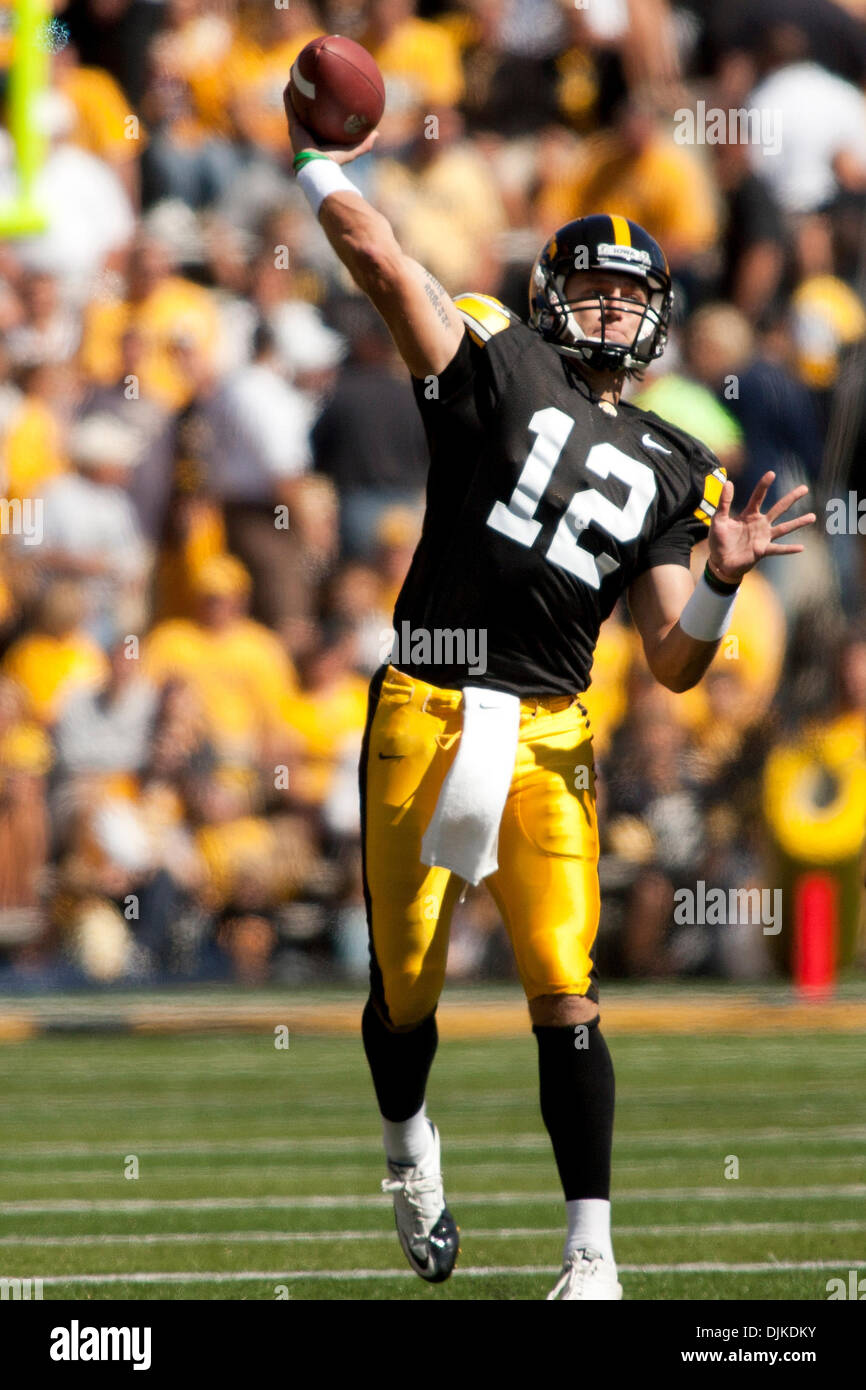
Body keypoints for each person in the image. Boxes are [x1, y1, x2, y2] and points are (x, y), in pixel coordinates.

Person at [283, 97, 816, 1299]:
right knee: (406, 975)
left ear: (658, 317)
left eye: (633, 294)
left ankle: (591, 1256)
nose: (613, 310)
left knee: (563, 987)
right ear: (547, 294)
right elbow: (377, 256)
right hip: (423, 700)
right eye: (594, 288)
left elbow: (675, 663)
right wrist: (319, 161)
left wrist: (723, 582)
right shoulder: (495, 356)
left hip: (548, 731)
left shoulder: (680, 466)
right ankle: (407, 1147)